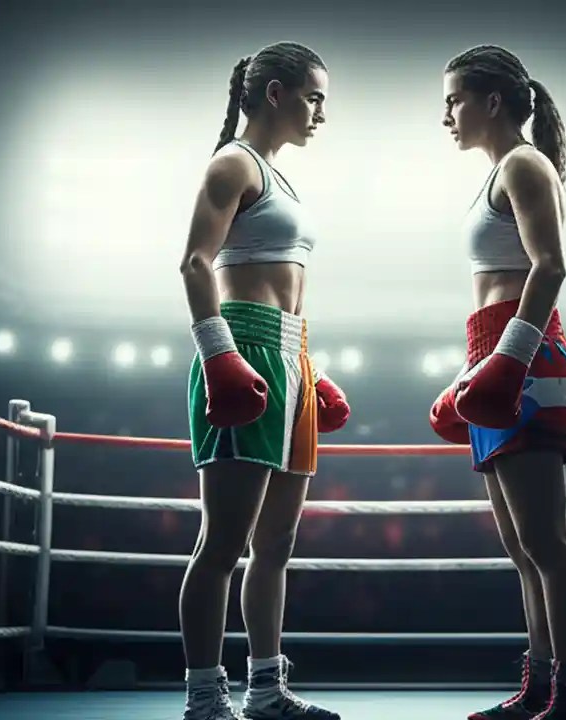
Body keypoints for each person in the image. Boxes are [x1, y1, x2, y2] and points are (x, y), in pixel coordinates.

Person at [178, 41, 349, 720]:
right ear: (275, 92)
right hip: (242, 345)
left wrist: (314, 367)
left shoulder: (282, 179)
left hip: (290, 354)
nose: (320, 115)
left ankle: (267, 689)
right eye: (314, 98)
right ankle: (202, 698)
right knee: (221, 543)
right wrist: (219, 354)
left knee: (275, 545)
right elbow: (195, 263)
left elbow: (288, 287)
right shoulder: (232, 163)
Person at [428, 45, 566, 720]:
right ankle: (539, 688)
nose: (446, 116)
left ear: (492, 102)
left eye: (454, 100)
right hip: (496, 355)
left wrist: (507, 359)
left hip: (528, 361)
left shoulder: (524, 164)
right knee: (523, 550)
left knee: (549, 543)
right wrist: (474, 366)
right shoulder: (498, 172)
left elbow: (549, 267)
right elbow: (495, 284)